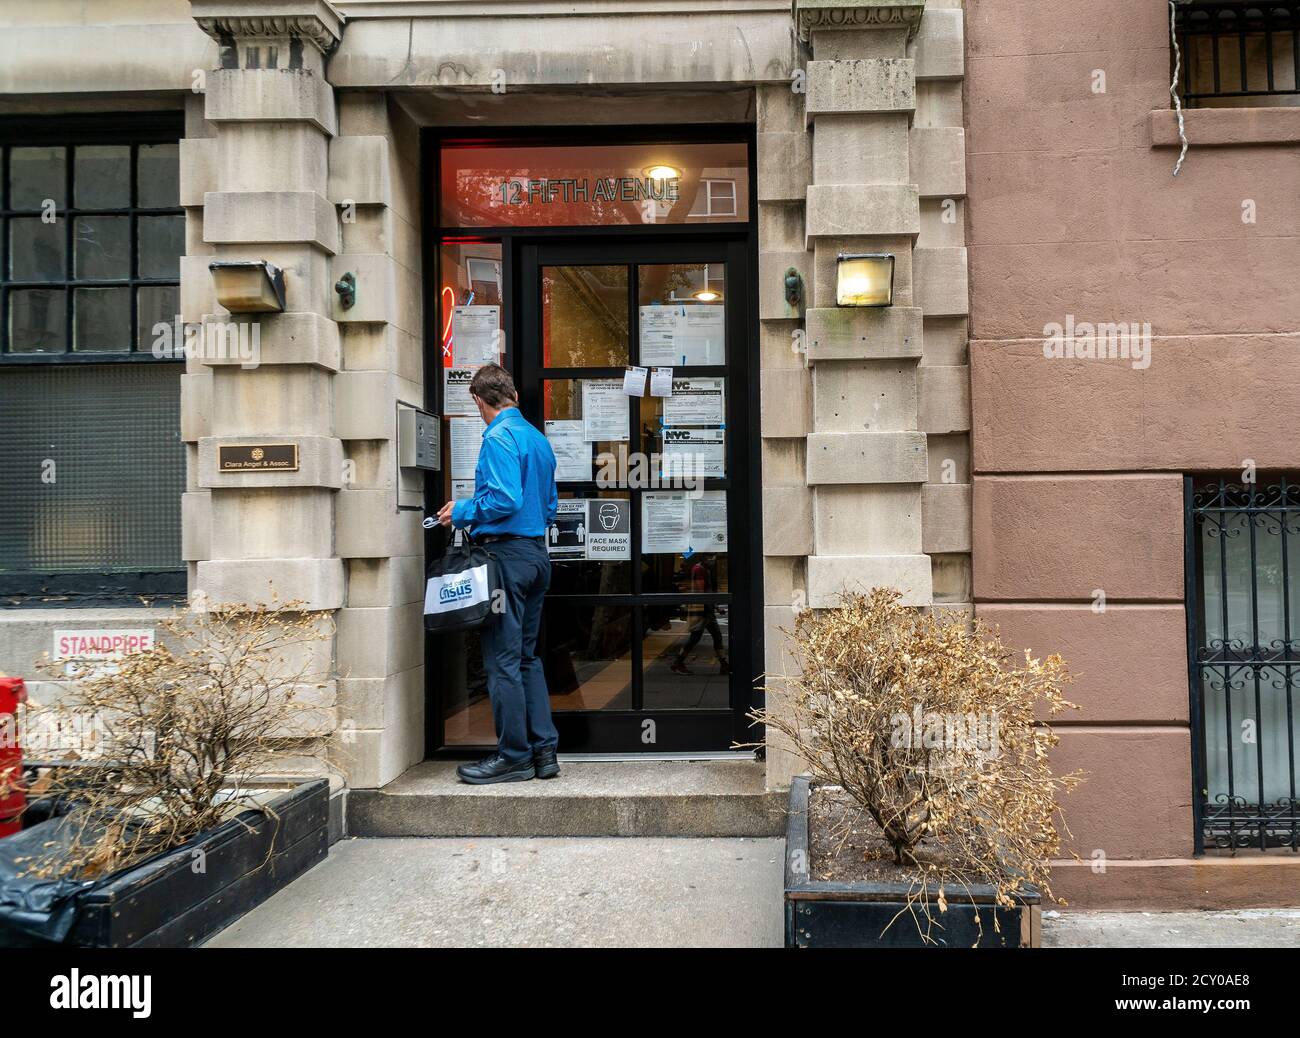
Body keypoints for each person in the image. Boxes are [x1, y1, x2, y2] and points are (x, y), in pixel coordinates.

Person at [436, 364, 560, 784]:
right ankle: (544, 753)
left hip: (506, 560)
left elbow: (504, 498)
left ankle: (513, 756)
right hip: (535, 557)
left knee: (503, 661)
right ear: (513, 396)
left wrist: (463, 511)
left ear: (478, 401)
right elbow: (548, 507)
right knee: (527, 658)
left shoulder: (499, 436)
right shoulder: (538, 441)